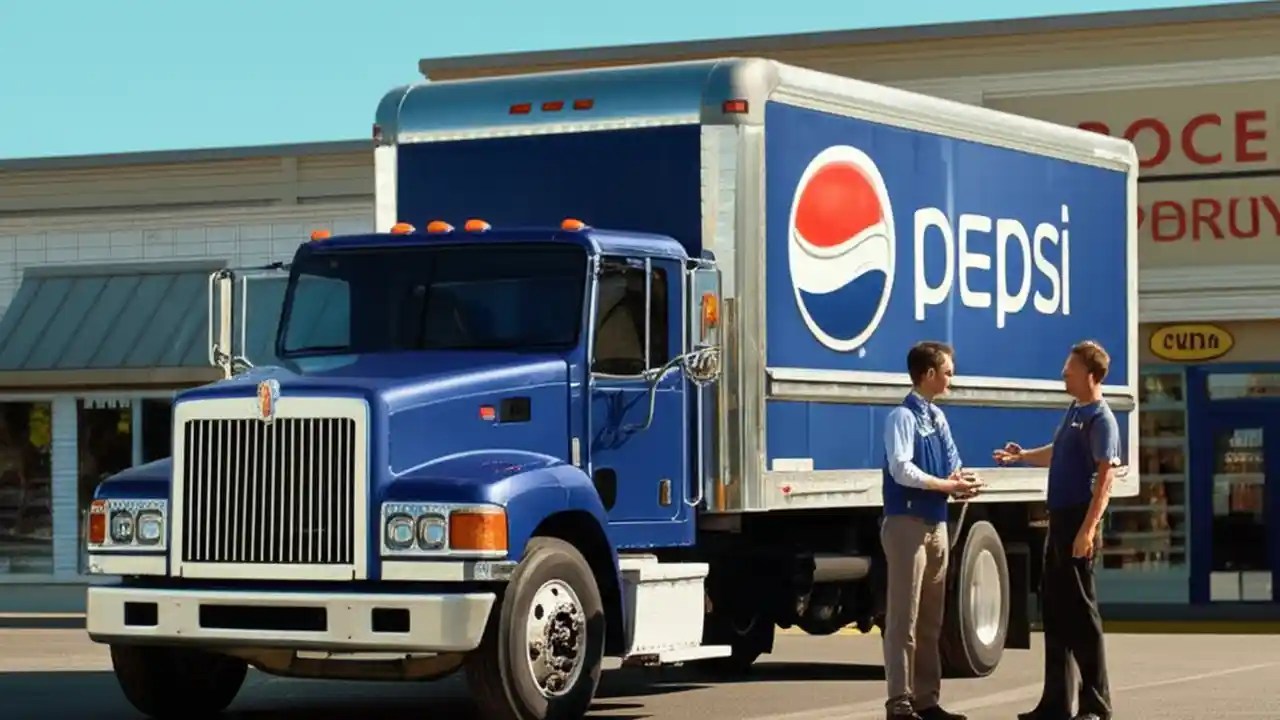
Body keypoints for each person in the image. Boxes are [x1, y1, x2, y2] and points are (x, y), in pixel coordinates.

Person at [993, 340, 1120, 720]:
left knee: (1082, 614)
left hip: (1079, 520)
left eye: (1071, 368)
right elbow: (1057, 452)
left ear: (1091, 375)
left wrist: (1086, 531)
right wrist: (1022, 456)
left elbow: (1105, 481)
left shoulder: (1101, 419)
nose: (1064, 372)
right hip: (1060, 519)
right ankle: (1055, 704)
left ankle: (1096, 705)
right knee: (1056, 613)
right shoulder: (1075, 412)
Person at [881, 340, 982, 720]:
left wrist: (964, 481)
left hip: (936, 525)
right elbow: (901, 469)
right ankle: (899, 701)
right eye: (948, 373)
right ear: (928, 374)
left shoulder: (938, 418)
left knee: (930, 620)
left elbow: (953, 465)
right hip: (906, 523)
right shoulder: (901, 418)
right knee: (903, 619)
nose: (951, 379)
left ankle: (927, 698)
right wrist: (947, 486)